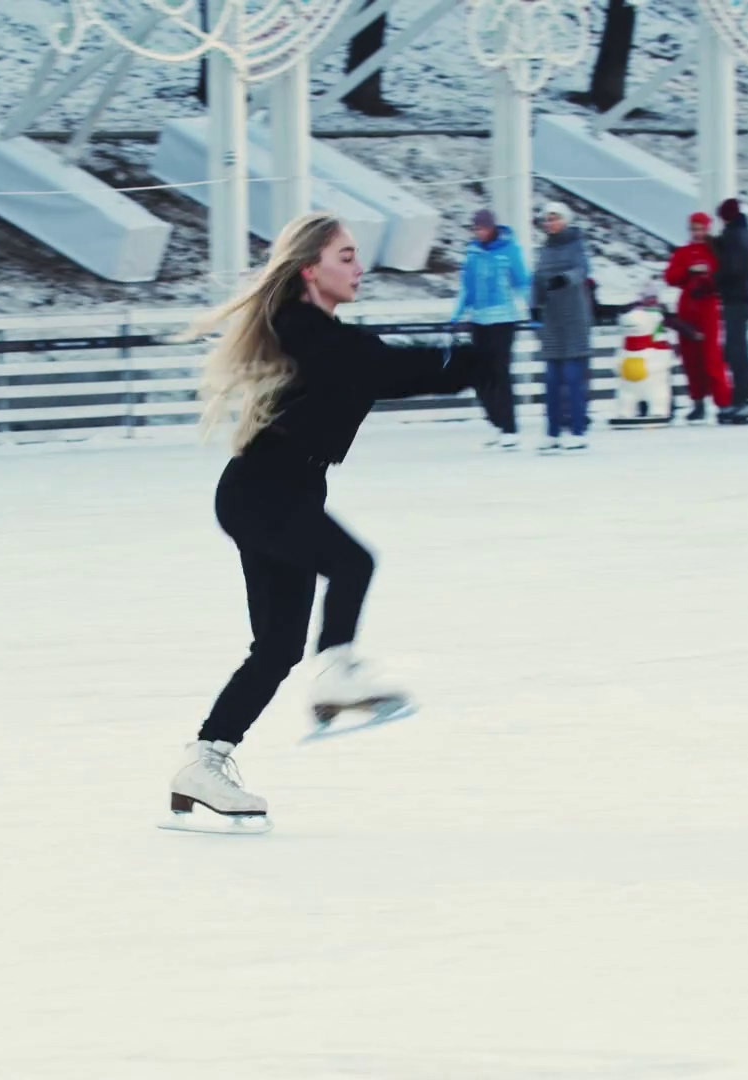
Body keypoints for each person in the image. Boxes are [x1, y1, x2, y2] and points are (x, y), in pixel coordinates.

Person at [168, 212, 484, 831]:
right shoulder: (302, 329)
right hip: (263, 491)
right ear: (311, 269)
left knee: (278, 647)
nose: (359, 268)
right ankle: (336, 673)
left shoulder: (329, 339)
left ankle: (202, 763)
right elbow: (379, 365)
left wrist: (467, 363)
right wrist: (471, 359)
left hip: (284, 491)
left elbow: (392, 373)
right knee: (352, 563)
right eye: (346, 256)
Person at [452, 208, 531, 450]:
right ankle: (499, 423)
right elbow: (467, 288)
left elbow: (522, 282)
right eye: (476, 229)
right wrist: (457, 315)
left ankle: (510, 429)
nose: (479, 233)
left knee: (499, 373)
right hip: (479, 321)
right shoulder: (473, 252)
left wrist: (534, 309)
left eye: (483, 228)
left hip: (503, 321)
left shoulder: (509, 250)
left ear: (492, 227)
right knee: (479, 375)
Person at [530, 201, 593, 452]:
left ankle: (578, 431)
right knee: (552, 379)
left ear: (565, 220)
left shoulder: (576, 245)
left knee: (573, 378)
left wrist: (564, 279)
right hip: (552, 320)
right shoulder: (545, 249)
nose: (551, 223)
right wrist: (534, 306)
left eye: (555, 218)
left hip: (574, 319)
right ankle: (552, 433)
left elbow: (582, 270)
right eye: (548, 219)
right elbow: (537, 279)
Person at [663, 212, 730, 423]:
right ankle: (698, 401)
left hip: (708, 306)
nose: (697, 233)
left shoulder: (714, 250)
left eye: (701, 229)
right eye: (694, 229)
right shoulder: (683, 252)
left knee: (712, 356)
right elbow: (670, 277)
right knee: (690, 357)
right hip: (688, 306)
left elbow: (723, 275)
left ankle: (723, 402)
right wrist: (688, 271)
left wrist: (709, 280)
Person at [714, 198, 748, 424]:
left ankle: (747, 400)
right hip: (739, 298)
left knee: (737, 351)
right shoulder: (742, 234)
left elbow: (732, 268)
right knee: (735, 350)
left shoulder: (735, 236)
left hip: (736, 299)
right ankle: (742, 398)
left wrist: (713, 280)